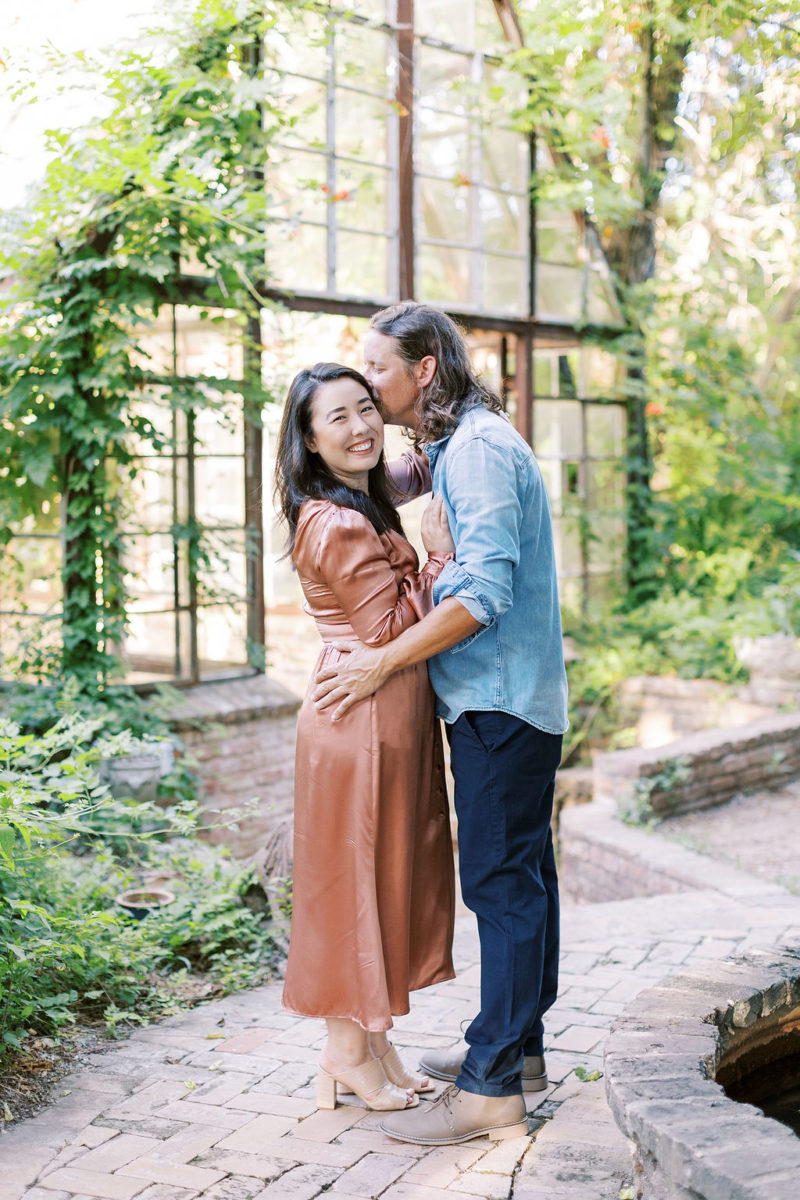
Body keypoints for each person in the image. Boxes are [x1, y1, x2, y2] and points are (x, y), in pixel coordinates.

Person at [313, 302, 569, 1145]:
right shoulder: (455, 448)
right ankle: (517, 1051)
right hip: (504, 700)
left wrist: (382, 661)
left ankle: (494, 1085)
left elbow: (484, 596)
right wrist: (318, 467)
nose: (367, 390)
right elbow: (378, 485)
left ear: (423, 371)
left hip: (498, 700)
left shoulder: (482, 452)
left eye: (376, 373)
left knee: (499, 886)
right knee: (523, 878)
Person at [275, 361, 457, 1114]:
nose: (360, 428)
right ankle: (345, 1052)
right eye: (338, 419)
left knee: (382, 879)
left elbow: (413, 467)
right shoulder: (338, 520)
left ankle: (373, 1043)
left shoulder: (360, 500)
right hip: (361, 720)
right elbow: (388, 630)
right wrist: (440, 555)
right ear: (310, 442)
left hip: (384, 710)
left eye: (366, 409)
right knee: (357, 882)